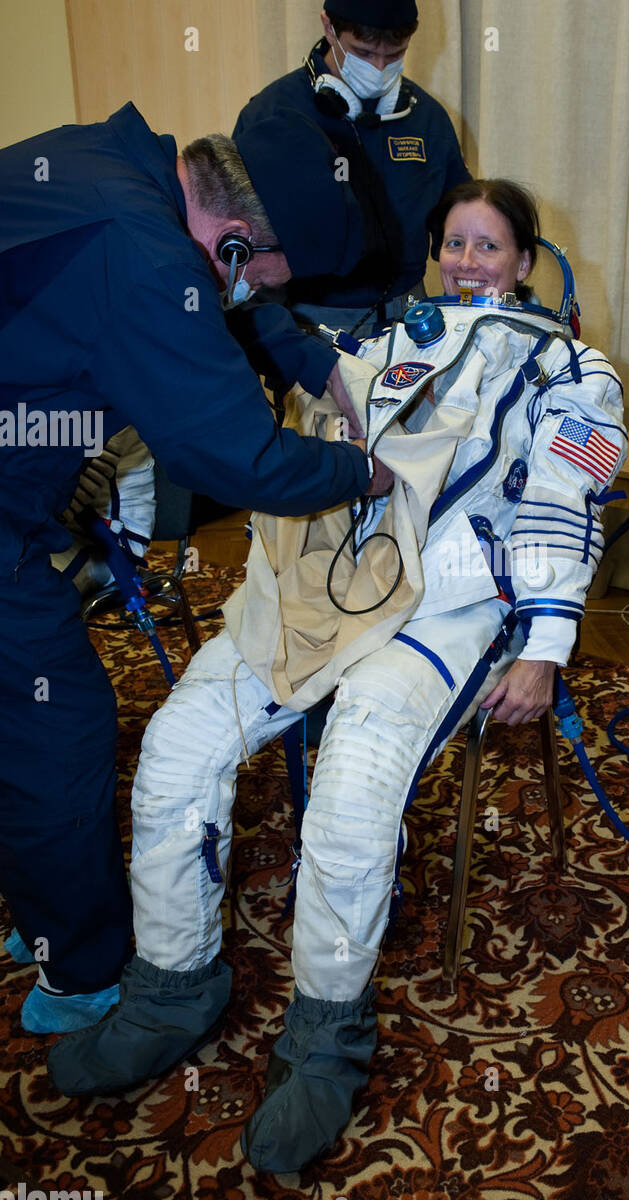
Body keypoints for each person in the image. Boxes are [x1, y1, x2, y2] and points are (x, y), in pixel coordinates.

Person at [48, 180, 628, 1176]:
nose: (466, 262)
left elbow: (563, 498)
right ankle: (171, 984)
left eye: (488, 246)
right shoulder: (382, 343)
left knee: (353, 794)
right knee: (177, 747)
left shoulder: (571, 370)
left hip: (446, 606)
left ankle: (324, 1039)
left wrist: (542, 643)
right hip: (322, 589)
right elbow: (313, 403)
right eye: (453, 243)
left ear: (525, 261)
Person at [0, 102, 374, 1035]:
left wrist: (318, 367)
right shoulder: (143, 253)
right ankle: (78, 971)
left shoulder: (125, 166)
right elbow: (238, 459)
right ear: (237, 242)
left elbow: (232, 312)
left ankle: (44, 903)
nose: (249, 299)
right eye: (258, 281)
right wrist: (362, 470)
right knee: (62, 727)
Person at [233, 0, 470, 337]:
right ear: (329, 27)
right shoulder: (270, 115)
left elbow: (460, 220)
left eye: (394, 54)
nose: (379, 68)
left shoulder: (427, 118)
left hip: (413, 315)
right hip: (314, 322)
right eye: (363, 52)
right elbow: (244, 243)